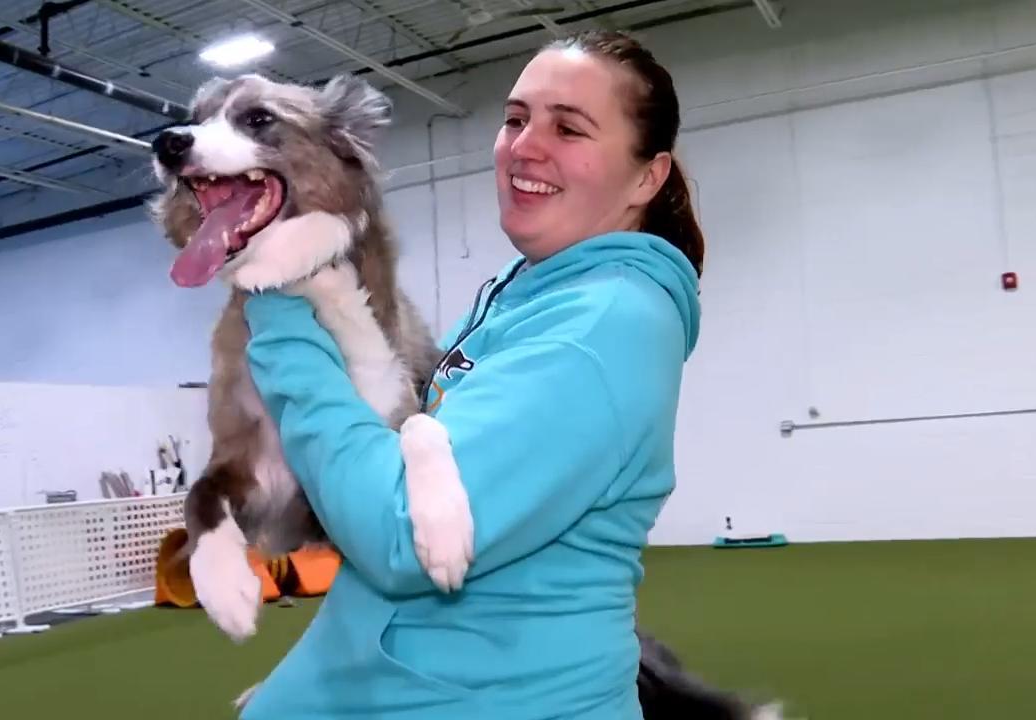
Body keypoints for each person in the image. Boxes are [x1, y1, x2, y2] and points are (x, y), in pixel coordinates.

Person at [236, 29, 704, 720]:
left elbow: (401, 538)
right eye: (515, 119)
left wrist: (280, 313)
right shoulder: (522, 297)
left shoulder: (598, 326)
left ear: (647, 177)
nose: (525, 146)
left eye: (568, 128)